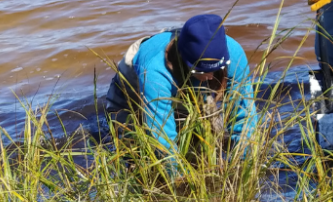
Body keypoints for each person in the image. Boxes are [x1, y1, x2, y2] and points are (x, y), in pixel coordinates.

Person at [104, 14, 261, 156]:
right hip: (132, 86)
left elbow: (244, 117)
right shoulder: (154, 71)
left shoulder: (234, 54)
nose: (211, 77)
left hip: (188, 74)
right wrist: (178, 176)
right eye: (203, 71)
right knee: (131, 150)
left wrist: (246, 164)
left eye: (216, 69)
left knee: (213, 140)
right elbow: (162, 140)